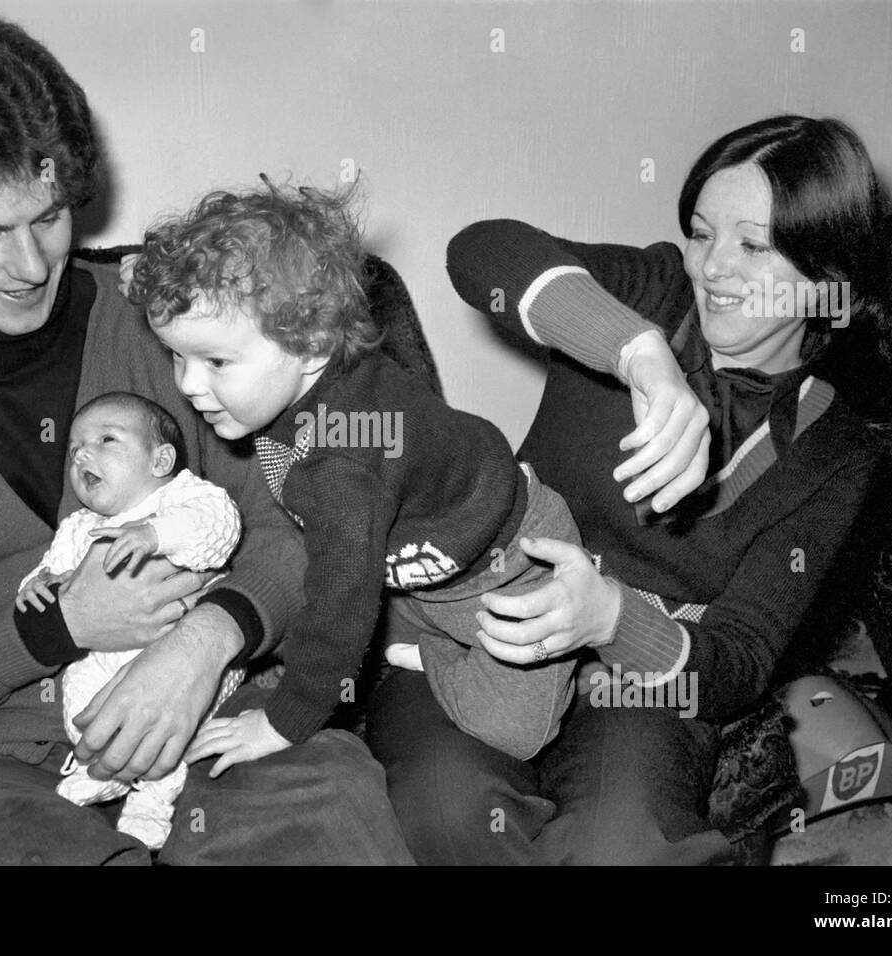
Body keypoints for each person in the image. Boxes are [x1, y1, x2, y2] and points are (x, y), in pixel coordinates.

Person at [0, 8, 415, 865]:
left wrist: (209, 637)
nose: (33, 265)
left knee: (330, 820)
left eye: (48, 216)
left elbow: (312, 521)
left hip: (220, 719)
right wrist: (54, 627)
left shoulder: (171, 324)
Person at [366, 115, 885, 865]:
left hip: (642, 680)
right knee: (444, 814)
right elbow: (478, 250)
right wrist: (637, 351)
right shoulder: (653, 294)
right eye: (703, 233)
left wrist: (612, 618)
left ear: (830, 283)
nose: (712, 267)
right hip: (485, 624)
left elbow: (739, 661)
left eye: (753, 245)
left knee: (625, 845)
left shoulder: (840, 453)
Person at [123, 179, 702, 768]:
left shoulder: (340, 469)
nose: (189, 385)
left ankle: (444, 657)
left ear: (313, 348)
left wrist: (284, 722)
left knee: (515, 732)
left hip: (508, 572)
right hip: (410, 570)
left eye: (216, 362)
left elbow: (340, 606)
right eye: (178, 356)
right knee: (347, 613)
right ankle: (425, 635)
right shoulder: (301, 378)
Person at [16, 391, 244, 850]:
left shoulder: (185, 496)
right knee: (82, 693)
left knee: (172, 721)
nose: (83, 453)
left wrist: (154, 534)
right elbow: (57, 569)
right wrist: (37, 583)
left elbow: (219, 529)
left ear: (160, 460)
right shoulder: (78, 526)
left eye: (105, 439)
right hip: (105, 652)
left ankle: (153, 800)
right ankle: (102, 769)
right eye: (75, 448)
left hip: (183, 650)